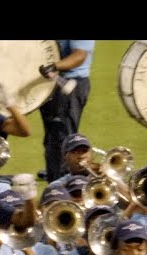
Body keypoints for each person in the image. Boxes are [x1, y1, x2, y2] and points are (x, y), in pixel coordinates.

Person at [37, 41, 95, 181]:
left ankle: (62, 181)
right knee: (51, 137)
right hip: (50, 84)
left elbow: (79, 56)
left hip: (70, 84)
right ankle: (54, 173)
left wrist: (54, 66)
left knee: (61, 137)